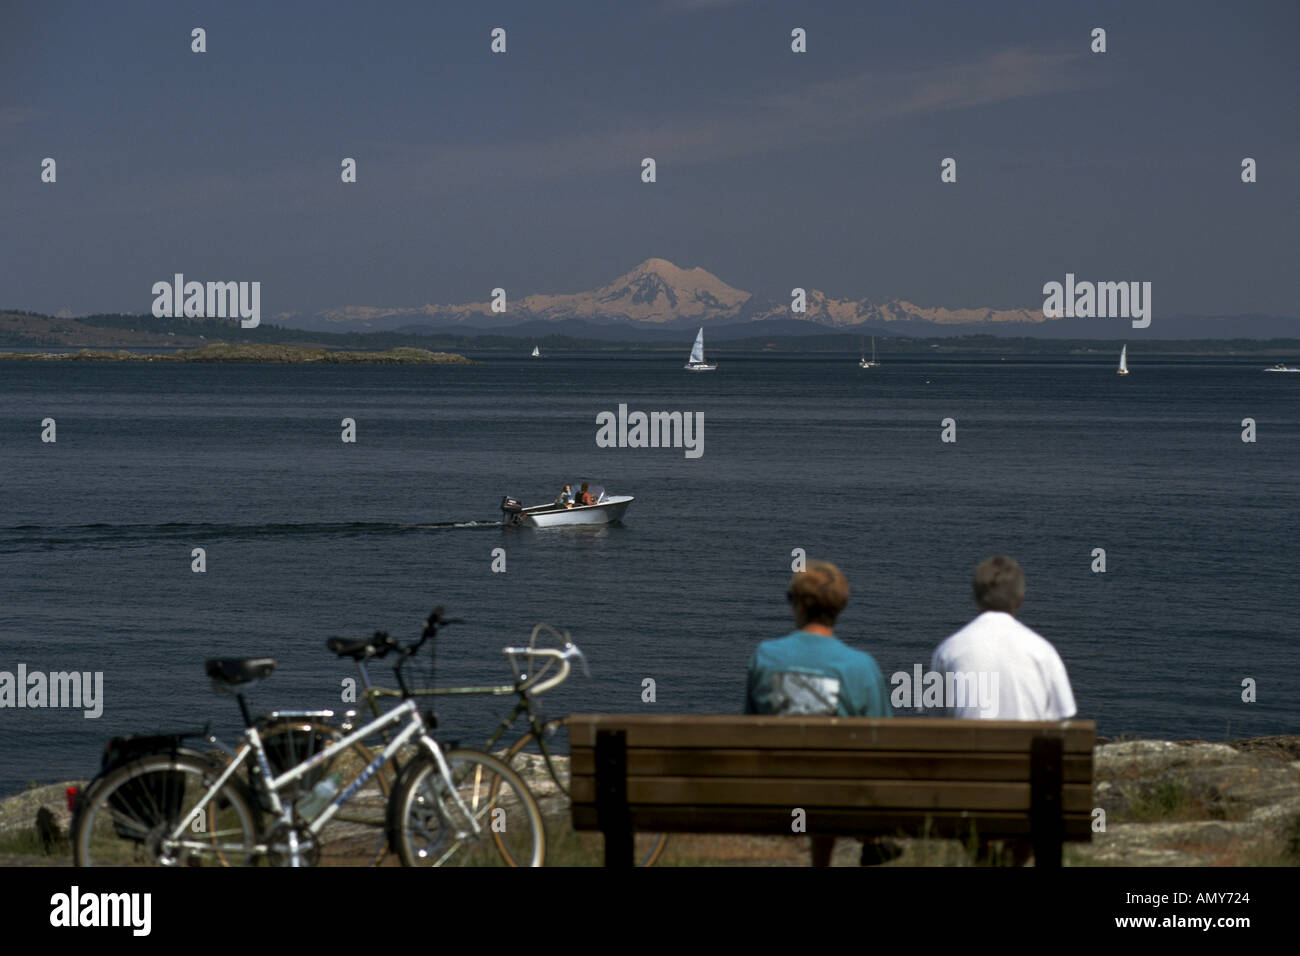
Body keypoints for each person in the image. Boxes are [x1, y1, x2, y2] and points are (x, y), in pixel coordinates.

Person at [744, 559, 893, 866]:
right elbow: (883, 743)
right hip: (836, 794)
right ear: (840, 607)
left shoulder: (765, 657)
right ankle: (871, 841)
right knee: (834, 772)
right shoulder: (861, 667)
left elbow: (750, 727)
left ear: (797, 605)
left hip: (773, 790)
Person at [930, 555, 1077, 864]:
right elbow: (1062, 726)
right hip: (1030, 793)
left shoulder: (949, 650)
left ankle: (984, 860)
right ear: (1021, 598)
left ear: (975, 597)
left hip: (967, 791)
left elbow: (942, 724)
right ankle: (1011, 863)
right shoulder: (1042, 651)